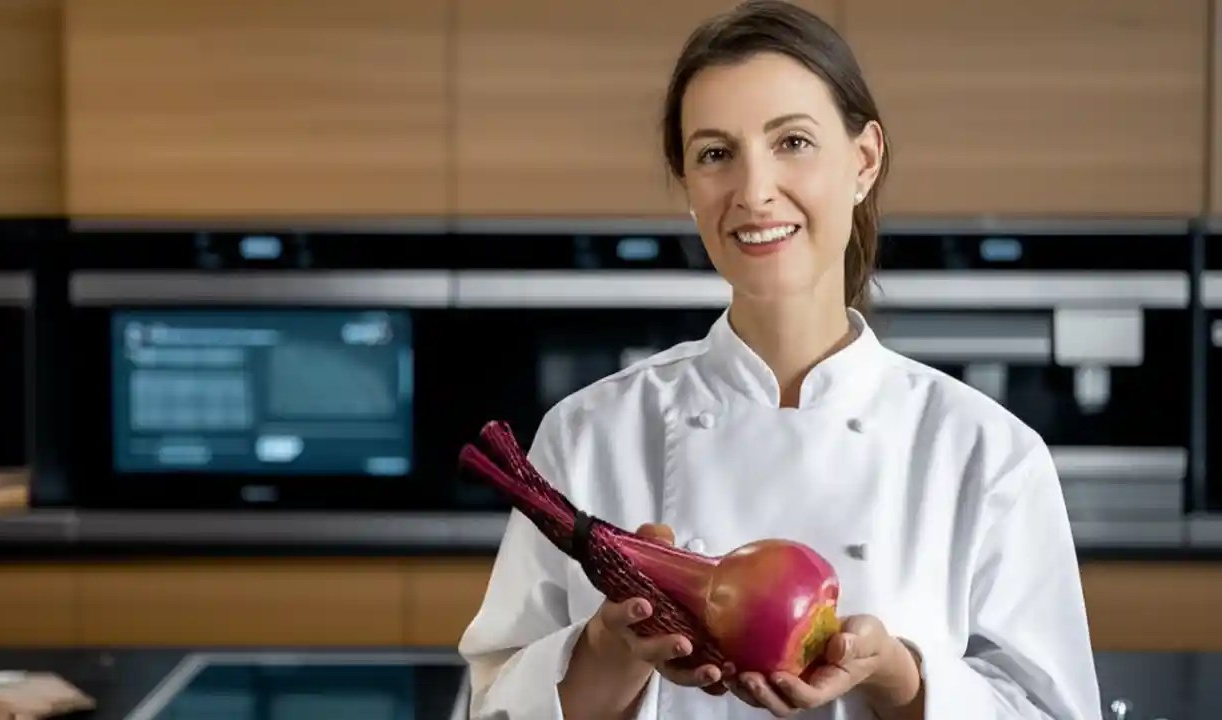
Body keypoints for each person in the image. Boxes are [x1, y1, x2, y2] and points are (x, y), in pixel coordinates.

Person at [458, 1, 1103, 718]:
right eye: (714, 154)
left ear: (864, 161)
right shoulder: (588, 435)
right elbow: (489, 706)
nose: (755, 191)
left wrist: (901, 677)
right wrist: (611, 648)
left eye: (792, 142)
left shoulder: (987, 453)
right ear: (688, 188)